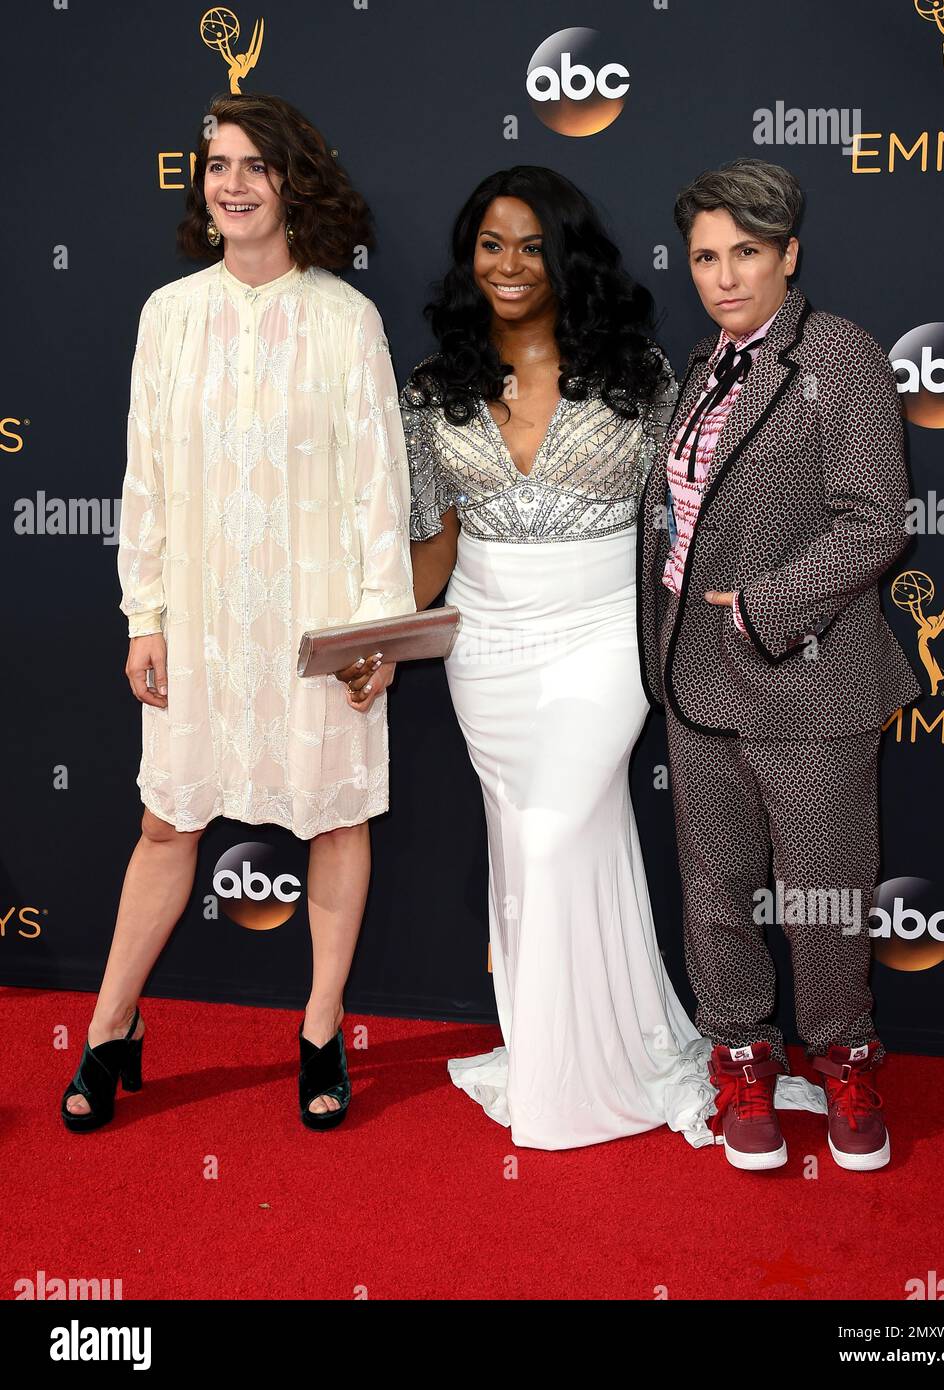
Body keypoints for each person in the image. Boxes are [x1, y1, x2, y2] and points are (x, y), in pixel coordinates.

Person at [60, 93, 414, 1134]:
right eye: (217, 164)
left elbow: (377, 490)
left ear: (292, 180)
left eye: (255, 164)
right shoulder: (168, 314)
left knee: (337, 816)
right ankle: (108, 1026)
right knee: (167, 818)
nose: (233, 183)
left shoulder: (347, 318)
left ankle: (318, 1028)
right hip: (205, 621)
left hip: (318, 625)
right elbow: (147, 480)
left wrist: (375, 630)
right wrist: (145, 613)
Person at [404, 165, 736, 1151]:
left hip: (602, 632)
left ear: (567, 254)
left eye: (531, 243)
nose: (510, 264)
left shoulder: (637, 376)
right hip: (485, 641)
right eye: (491, 243)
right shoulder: (431, 387)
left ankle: (584, 1076)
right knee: (531, 845)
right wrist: (374, 634)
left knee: (550, 835)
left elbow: (681, 522)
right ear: (469, 258)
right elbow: (432, 542)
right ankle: (567, 1043)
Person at [636, 157, 922, 1171]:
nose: (722, 277)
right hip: (695, 678)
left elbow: (873, 522)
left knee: (823, 897)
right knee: (715, 889)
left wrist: (763, 606)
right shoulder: (704, 364)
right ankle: (742, 1052)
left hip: (806, 677)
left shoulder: (835, 356)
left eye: (744, 254)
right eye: (706, 256)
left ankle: (844, 1057)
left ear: (787, 254)